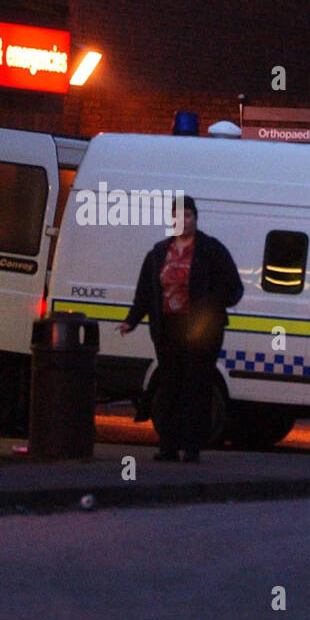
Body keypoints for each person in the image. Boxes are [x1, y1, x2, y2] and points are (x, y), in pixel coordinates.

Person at [118, 195, 242, 462]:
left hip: (201, 330)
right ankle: (168, 446)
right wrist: (132, 319)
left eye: (187, 216)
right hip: (168, 328)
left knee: (197, 386)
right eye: (177, 217)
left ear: (196, 219)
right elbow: (146, 291)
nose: (182, 222)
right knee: (170, 386)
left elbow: (233, 287)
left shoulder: (210, 249)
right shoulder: (159, 252)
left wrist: (211, 307)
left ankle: (193, 447)